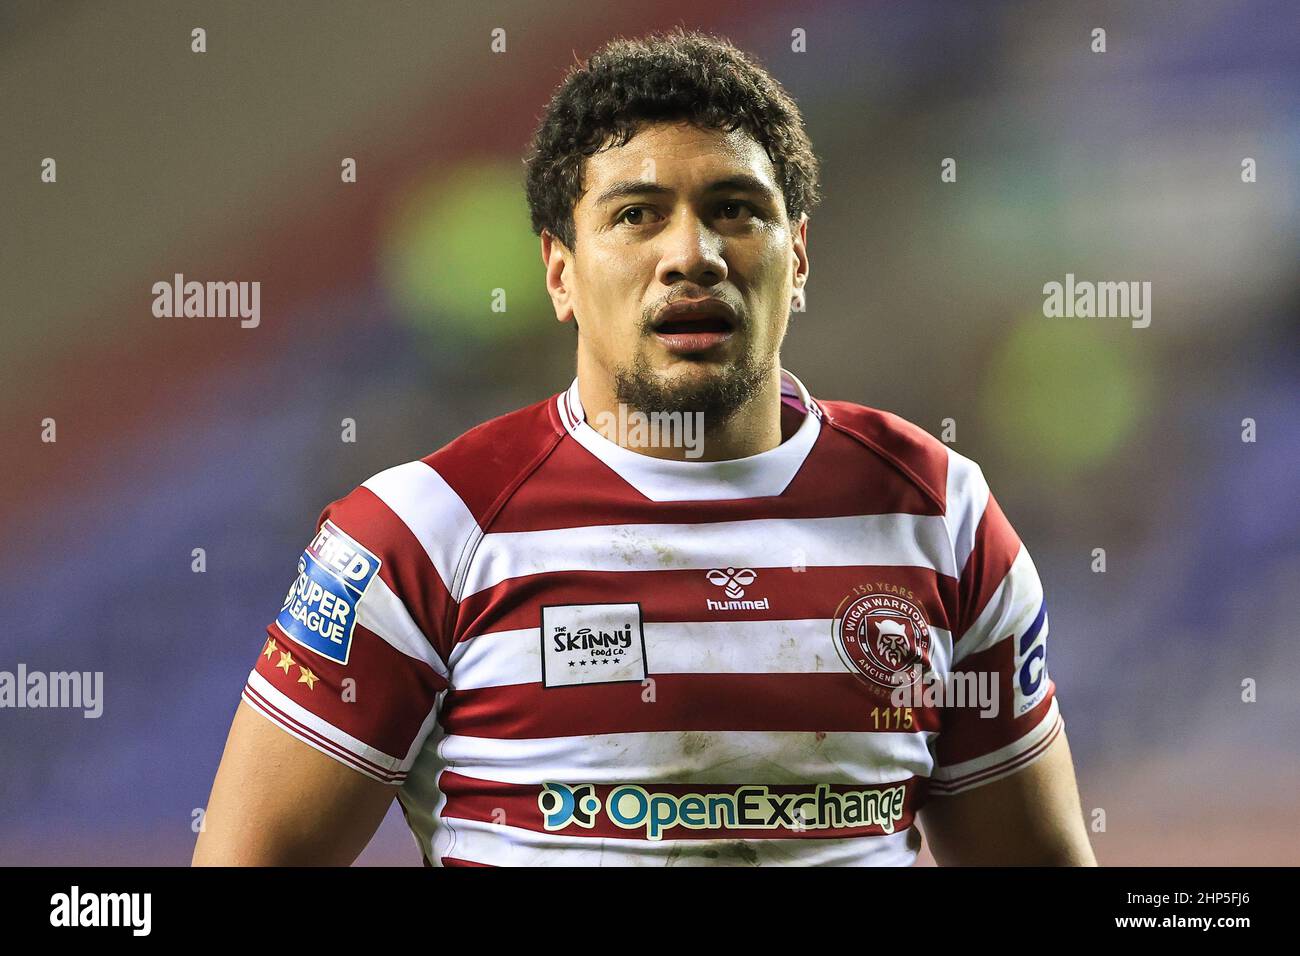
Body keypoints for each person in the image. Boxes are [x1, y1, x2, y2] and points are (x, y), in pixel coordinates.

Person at [194, 28, 1095, 866]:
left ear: (800, 254)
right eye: (636, 215)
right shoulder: (421, 535)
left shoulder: (941, 516)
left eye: (737, 209)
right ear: (559, 271)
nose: (693, 254)